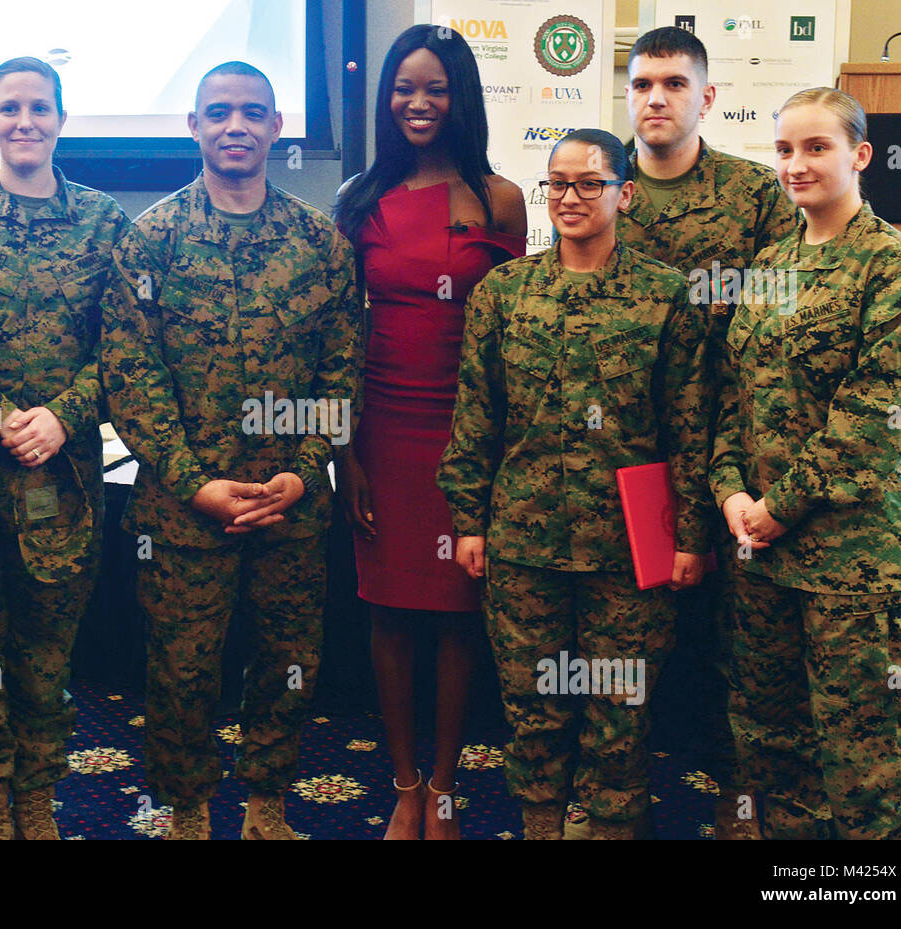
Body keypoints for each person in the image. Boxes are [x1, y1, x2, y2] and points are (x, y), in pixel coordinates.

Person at [102, 61, 362, 840]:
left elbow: (342, 372)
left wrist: (303, 467)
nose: (236, 126)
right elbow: (131, 376)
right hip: (184, 511)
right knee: (180, 672)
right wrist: (193, 482)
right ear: (194, 126)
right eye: (219, 112)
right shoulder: (149, 240)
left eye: (253, 112)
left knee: (288, 664)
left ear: (278, 127)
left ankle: (266, 806)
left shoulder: (320, 242)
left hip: (291, 504)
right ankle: (186, 812)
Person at [438, 129, 711, 840]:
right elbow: (476, 415)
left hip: (629, 552)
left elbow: (688, 427)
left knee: (620, 713)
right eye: (557, 183)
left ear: (625, 193)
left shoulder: (664, 295)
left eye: (590, 183)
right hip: (524, 543)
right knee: (534, 709)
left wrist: (690, 538)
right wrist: (468, 522)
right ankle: (540, 825)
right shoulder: (505, 292)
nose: (570, 197)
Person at [710, 87, 901, 840]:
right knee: (773, 755)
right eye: (784, 150)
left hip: (852, 563)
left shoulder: (894, 269)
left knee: (862, 769)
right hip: (763, 560)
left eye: (816, 148)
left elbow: (874, 420)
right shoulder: (769, 262)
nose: (796, 165)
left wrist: (779, 505)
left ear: (859, 155)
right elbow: (733, 394)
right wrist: (731, 489)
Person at [0, 57, 128, 840]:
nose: (25, 121)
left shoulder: (105, 221)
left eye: (40, 107)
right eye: (9, 108)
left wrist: (66, 416)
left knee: (45, 652)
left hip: (64, 478)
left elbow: (125, 349)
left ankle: (36, 797)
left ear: (62, 119)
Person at [333, 23, 525, 840]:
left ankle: (445, 785)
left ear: (461, 97)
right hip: (383, 423)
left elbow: (512, 332)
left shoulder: (500, 199)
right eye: (403, 88)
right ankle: (404, 782)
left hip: (468, 427)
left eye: (435, 87)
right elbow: (340, 335)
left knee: (456, 608)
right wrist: (349, 457)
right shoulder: (359, 200)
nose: (418, 102)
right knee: (388, 608)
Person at [617, 25, 797, 839]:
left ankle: (740, 795)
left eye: (674, 84)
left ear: (707, 97)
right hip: (623, 450)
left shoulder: (756, 196)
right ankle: (619, 793)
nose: (657, 98)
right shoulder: (596, 181)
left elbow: (781, 327)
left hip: (730, 447)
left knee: (739, 637)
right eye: (644, 84)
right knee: (625, 630)